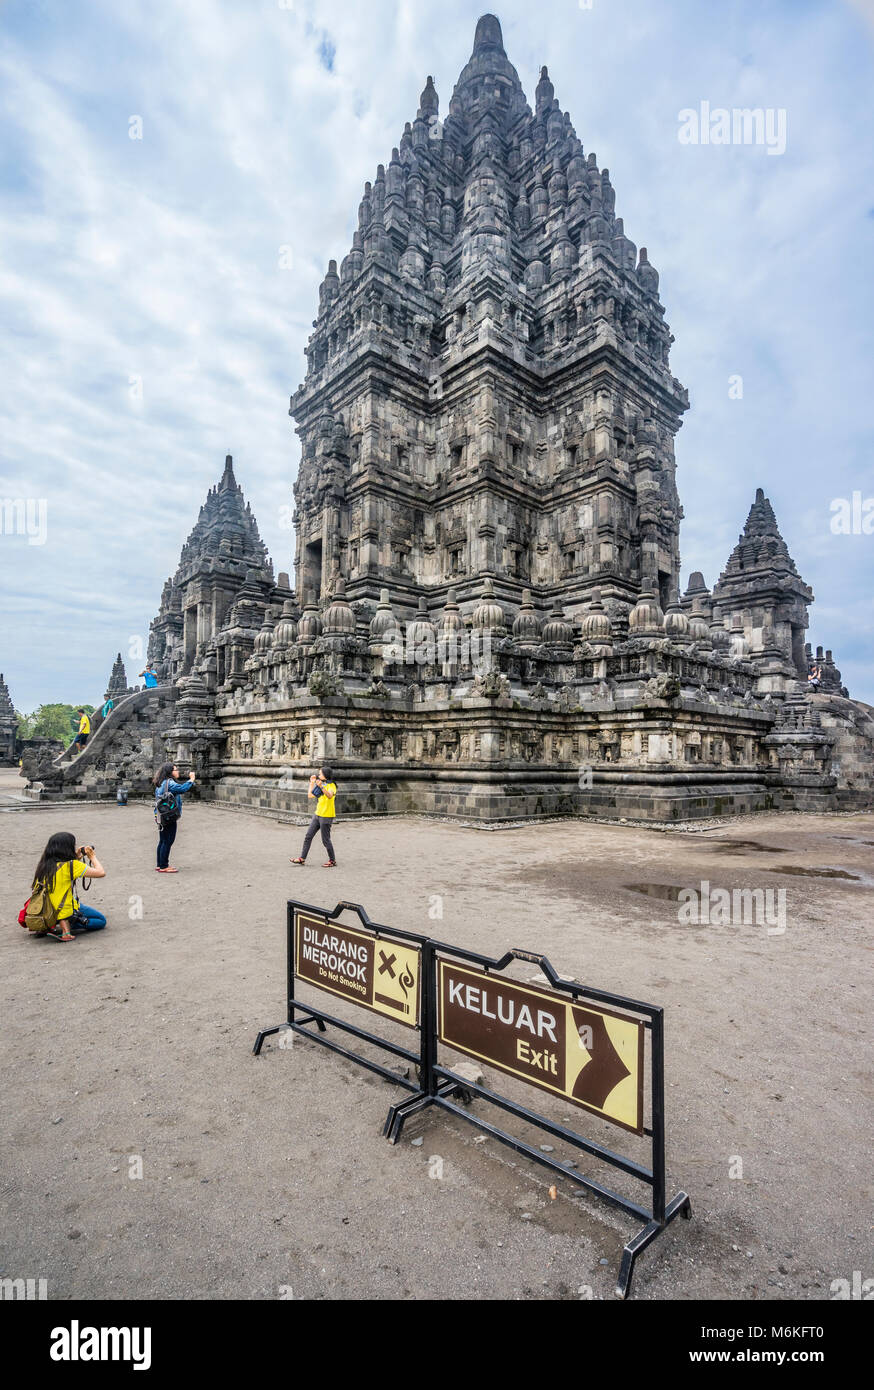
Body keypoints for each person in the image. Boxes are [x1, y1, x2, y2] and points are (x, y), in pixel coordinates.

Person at [29, 832, 107, 941]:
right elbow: (101, 872)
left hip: (47, 908)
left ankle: (53, 923)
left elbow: (62, 874)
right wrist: (92, 857)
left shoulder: (44, 865)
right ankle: (72, 923)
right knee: (101, 920)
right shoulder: (72, 865)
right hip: (66, 907)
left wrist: (76, 857)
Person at [291, 766, 337, 867]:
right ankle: (302, 858)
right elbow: (310, 795)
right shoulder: (322, 784)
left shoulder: (332, 785)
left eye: (320, 774)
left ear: (325, 775)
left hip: (327, 816)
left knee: (325, 840)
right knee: (308, 836)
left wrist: (321, 787)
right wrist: (312, 783)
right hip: (317, 814)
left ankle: (332, 860)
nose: (318, 775)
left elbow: (329, 796)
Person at [153, 761, 195, 873]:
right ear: (170, 772)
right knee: (168, 840)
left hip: (161, 814)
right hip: (169, 815)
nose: (177, 772)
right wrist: (191, 779)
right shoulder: (170, 783)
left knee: (162, 840)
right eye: (175, 770)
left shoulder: (161, 783)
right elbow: (182, 789)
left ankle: (160, 864)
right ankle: (164, 866)